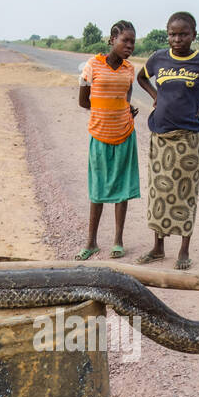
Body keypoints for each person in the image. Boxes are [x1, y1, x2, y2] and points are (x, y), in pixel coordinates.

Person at [134, 10, 199, 270]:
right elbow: (141, 77)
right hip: (160, 134)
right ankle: (158, 248)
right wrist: (155, 95)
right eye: (172, 34)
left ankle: (183, 250)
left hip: (188, 137)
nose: (177, 39)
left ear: (193, 35)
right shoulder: (158, 58)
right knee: (159, 192)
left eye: (183, 34)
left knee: (185, 193)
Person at [75, 20, 140, 260]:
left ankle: (118, 240)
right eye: (126, 40)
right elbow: (83, 101)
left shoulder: (129, 69)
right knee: (98, 189)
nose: (130, 45)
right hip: (100, 134)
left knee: (122, 189)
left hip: (125, 133)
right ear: (112, 39)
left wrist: (126, 109)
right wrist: (104, 109)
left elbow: (126, 97)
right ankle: (91, 242)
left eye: (133, 41)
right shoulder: (92, 66)